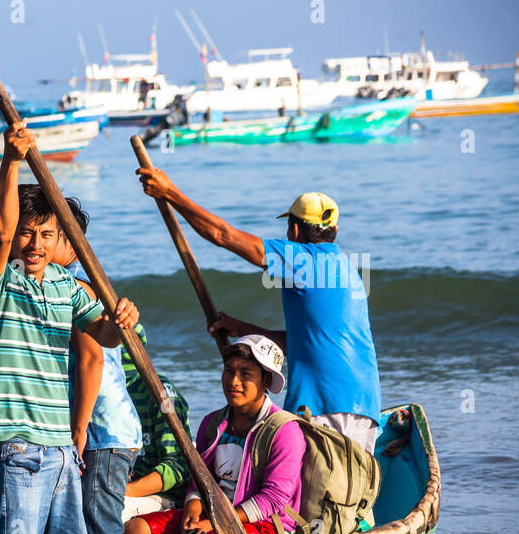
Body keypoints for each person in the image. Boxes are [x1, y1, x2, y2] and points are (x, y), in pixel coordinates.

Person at [0, 120, 139, 534]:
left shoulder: (66, 285)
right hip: (15, 444)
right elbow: (0, 234)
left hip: (61, 447)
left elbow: (100, 334)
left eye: (46, 233)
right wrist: (11, 160)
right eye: (29, 233)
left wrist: (121, 317)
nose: (36, 244)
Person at [134, 170, 381, 454]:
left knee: (308, 493)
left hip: (325, 404)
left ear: (295, 231)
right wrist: (244, 330)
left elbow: (223, 235)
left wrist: (169, 192)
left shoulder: (302, 259)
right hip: (365, 404)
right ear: (333, 232)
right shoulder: (348, 270)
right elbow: (308, 342)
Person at [124, 335, 304, 534]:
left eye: (245, 374)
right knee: (135, 530)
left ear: (266, 380)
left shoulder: (284, 430)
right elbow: (200, 481)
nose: (234, 381)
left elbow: (273, 498)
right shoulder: (212, 423)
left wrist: (217, 523)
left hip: (267, 527)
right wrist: (193, 509)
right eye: (229, 371)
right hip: (214, 518)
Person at [53, 197, 145, 534]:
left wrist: (79, 429)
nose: (32, 246)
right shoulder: (61, 289)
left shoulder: (75, 291)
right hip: (99, 430)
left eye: (48, 236)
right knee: (88, 529)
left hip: (103, 432)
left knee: (100, 531)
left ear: (72, 247)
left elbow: (91, 360)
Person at [119, 324, 192, 520]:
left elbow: (177, 466)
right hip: (118, 489)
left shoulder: (160, 394)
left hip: (162, 496)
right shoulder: (90, 391)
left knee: (112, 511)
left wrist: (122, 492)